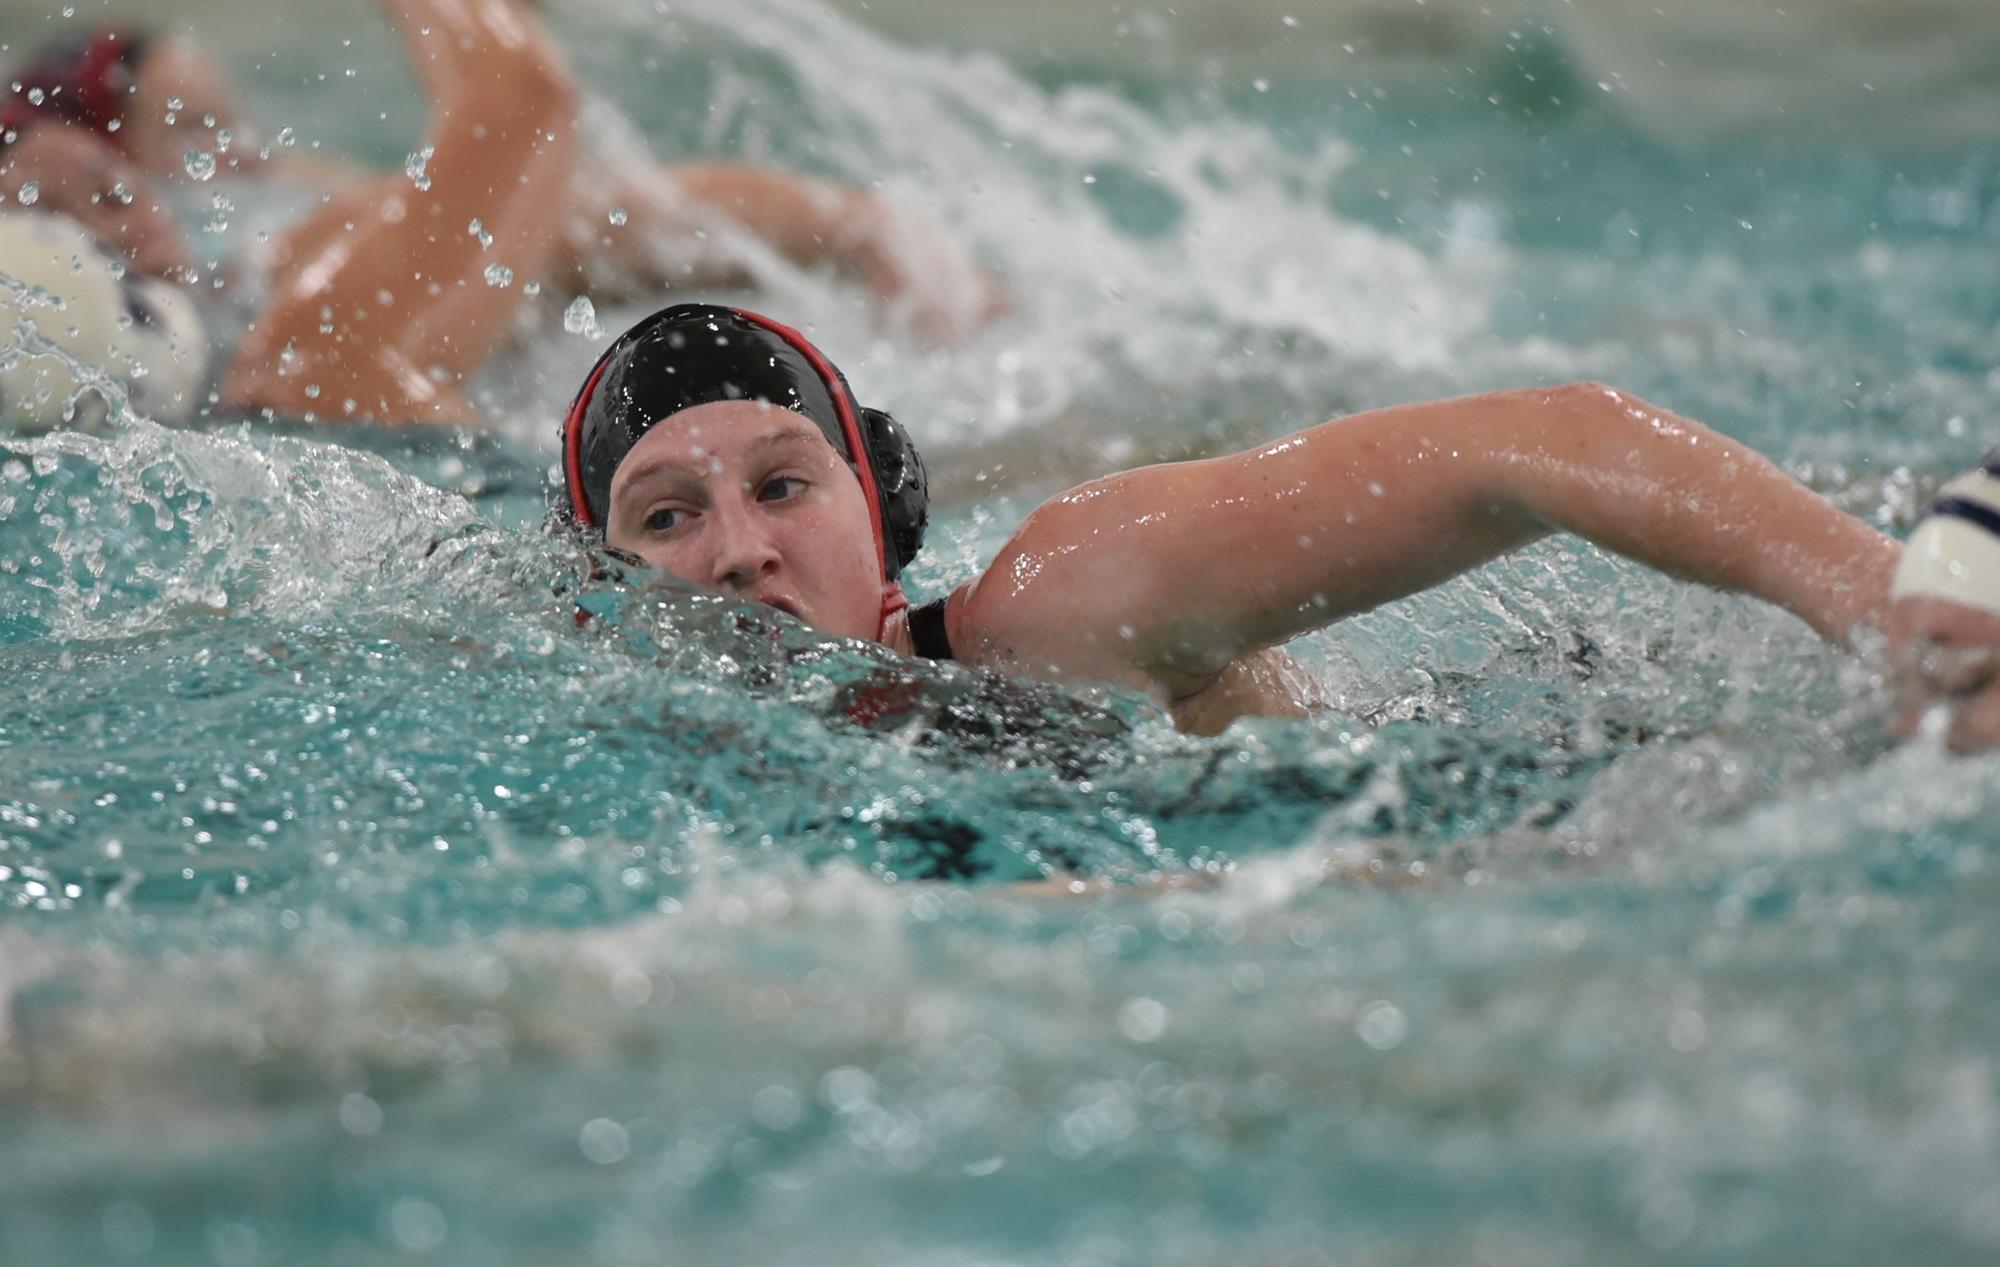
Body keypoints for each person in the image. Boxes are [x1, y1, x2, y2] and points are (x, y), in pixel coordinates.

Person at [554, 301, 2000, 747]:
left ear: (888, 516)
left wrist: (1881, 606)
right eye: (665, 514)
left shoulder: (1063, 599)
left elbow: (1543, 438)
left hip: (1521, 790)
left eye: (785, 484)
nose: (739, 549)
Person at [0, 12, 1002, 343]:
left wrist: (857, 229)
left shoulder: (282, 252)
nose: (247, 157)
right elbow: (526, 121)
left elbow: (563, 208)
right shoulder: (293, 311)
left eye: (117, 191)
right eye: (201, 138)